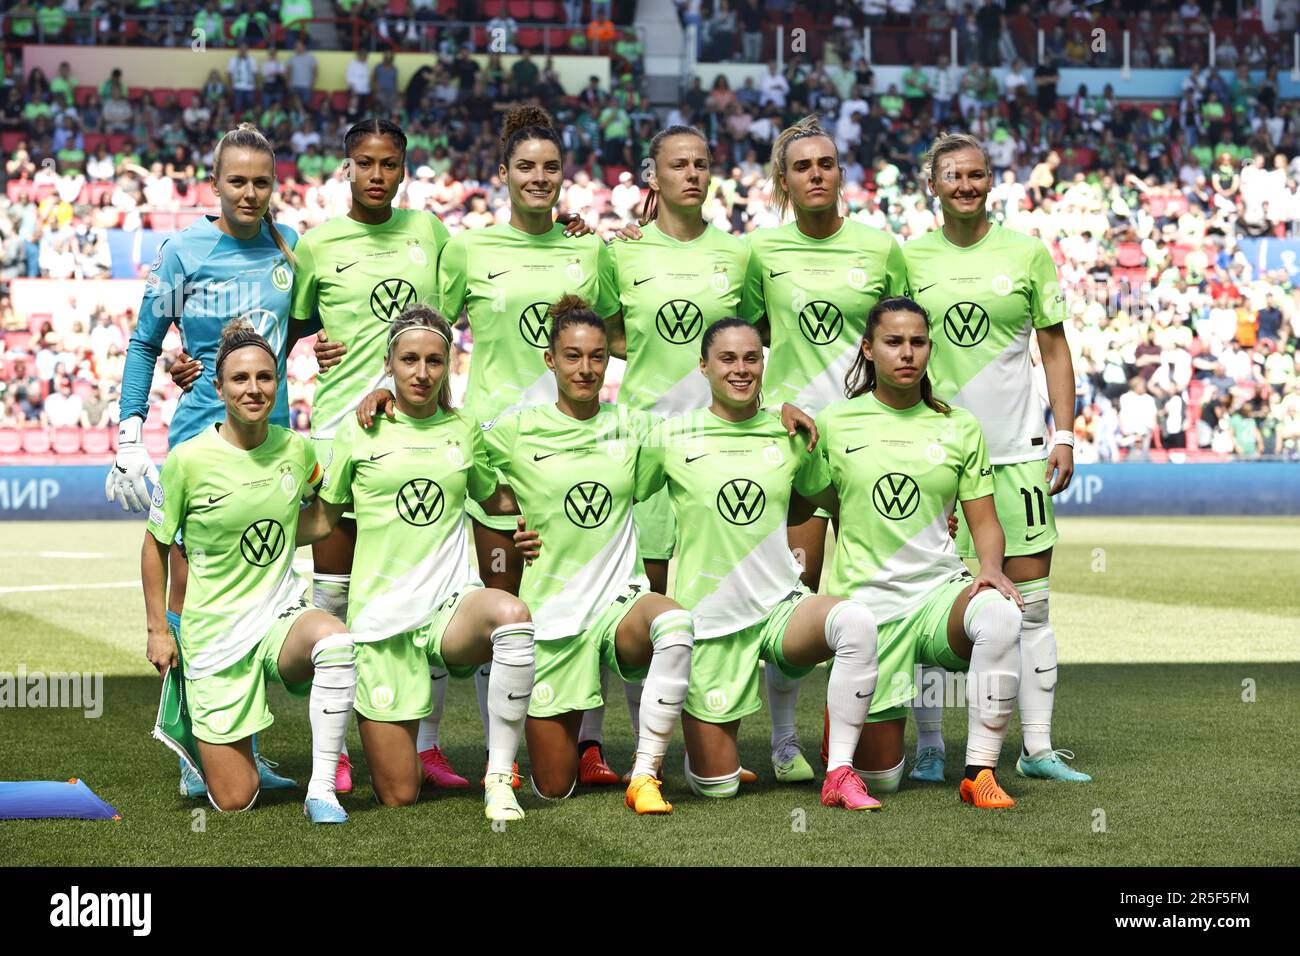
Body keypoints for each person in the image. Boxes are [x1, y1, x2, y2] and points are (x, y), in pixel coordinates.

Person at [348, 105, 602, 786]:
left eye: (551, 167)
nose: (539, 177)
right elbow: (423, 330)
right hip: (489, 452)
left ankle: (583, 743)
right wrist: (383, 390)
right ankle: (477, 755)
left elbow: (614, 344)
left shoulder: (591, 253)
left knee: (561, 599)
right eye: (526, 166)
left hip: (566, 455)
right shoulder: (467, 249)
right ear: (502, 174)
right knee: (489, 605)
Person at [600, 124, 817, 785]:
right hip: (650, 447)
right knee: (654, 600)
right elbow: (608, 332)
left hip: (729, 450)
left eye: (701, 163)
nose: (692, 174)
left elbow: (751, 341)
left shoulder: (738, 256)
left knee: (773, 589)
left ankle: (782, 743)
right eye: (677, 165)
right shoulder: (621, 254)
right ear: (654, 177)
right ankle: (652, 754)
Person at [107, 123, 311, 800]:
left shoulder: (291, 248)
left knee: (256, 599)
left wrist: (327, 346)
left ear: (273, 186)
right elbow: (143, 343)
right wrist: (129, 431)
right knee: (192, 600)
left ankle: (241, 746)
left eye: (261, 181)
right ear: (214, 183)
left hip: (273, 443)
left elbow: (308, 322)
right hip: (202, 439)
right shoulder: (184, 251)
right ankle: (190, 751)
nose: (249, 193)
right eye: (237, 181)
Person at [296, 305, 535, 821]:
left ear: (448, 365)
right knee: (399, 794)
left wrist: (550, 518)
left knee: (512, 615)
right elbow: (323, 518)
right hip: (382, 623)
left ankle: (499, 780)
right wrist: (249, 538)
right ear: (388, 363)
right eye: (409, 360)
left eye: (433, 361)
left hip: (450, 609)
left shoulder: (465, 429)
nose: (422, 373)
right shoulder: (359, 430)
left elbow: (496, 501)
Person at [634, 318, 883, 810]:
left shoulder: (790, 433)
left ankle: (839, 772)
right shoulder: (671, 437)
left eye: (751, 358)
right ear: (703, 366)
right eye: (727, 359)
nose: (741, 369)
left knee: (855, 622)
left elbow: (826, 500)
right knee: (717, 787)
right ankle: (703, 759)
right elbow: (620, 502)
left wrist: (941, 520)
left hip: (779, 607)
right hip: (712, 621)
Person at [902, 131, 1089, 783]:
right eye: (952, 175)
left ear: (991, 180)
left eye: (976, 174)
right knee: (927, 606)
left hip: (1018, 456)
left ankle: (1036, 748)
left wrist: (1064, 434)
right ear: (933, 183)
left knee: (1031, 606)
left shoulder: (1028, 253)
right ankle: (930, 746)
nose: (965, 185)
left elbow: (1055, 349)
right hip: (936, 462)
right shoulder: (909, 260)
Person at [740, 114, 909, 778]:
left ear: (842, 173)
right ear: (784, 180)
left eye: (828, 163)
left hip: (873, 444)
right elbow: (740, 345)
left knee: (889, 590)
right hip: (799, 447)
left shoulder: (881, 249)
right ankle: (784, 744)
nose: (817, 174)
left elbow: (908, 341)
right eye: (803, 166)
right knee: (796, 595)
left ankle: (913, 744)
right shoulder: (760, 252)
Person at [290, 119, 455, 793]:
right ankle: (333, 751)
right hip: (337, 432)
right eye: (365, 162)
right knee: (335, 595)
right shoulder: (317, 245)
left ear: (405, 169)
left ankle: (429, 746)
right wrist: (315, 347)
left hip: (417, 436)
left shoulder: (432, 235)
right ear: (346, 168)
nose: (377, 174)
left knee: (430, 589)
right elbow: (291, 326)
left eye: (389, 163)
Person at [810, 297, 1027, 808]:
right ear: (868, 349)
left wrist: (990, 569)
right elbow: (809, 502)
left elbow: (986, 522)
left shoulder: (958, 425)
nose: (906, 353)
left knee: (1000, 617)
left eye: (917, 342)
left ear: (929, 349)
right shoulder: (836, 423)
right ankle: (841, 730)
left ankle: (979, 772)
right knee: (883, 779)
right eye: (893, 342)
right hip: (868, 610)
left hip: (936, 596)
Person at [142, 320, 356, 824]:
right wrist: (157, 630)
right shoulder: (187, 461)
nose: (253, 388)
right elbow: (154, 546)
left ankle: (322, 789)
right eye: (239, 379)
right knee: (236, 797)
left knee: (336, 641)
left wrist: (348, 464)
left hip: (279, 618)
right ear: (219, 388)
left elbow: (316, 520)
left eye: (264, 377)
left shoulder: (296, 450)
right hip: (215, 632)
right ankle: (198, 731)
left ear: (278, 383)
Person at [490, 297, 695, 813]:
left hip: (619, 603)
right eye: (573, 356)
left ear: (609, 361)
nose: (586, 369)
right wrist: (512, 520)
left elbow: (711, 428)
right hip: (555, 615)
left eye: (598, 357)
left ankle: (645, 774)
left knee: (673, 622)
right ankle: (536, 760)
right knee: (554, 787)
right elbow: (457, 465)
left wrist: (776, 409)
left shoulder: (635, 426)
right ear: (550, 360)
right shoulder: (516, 431)